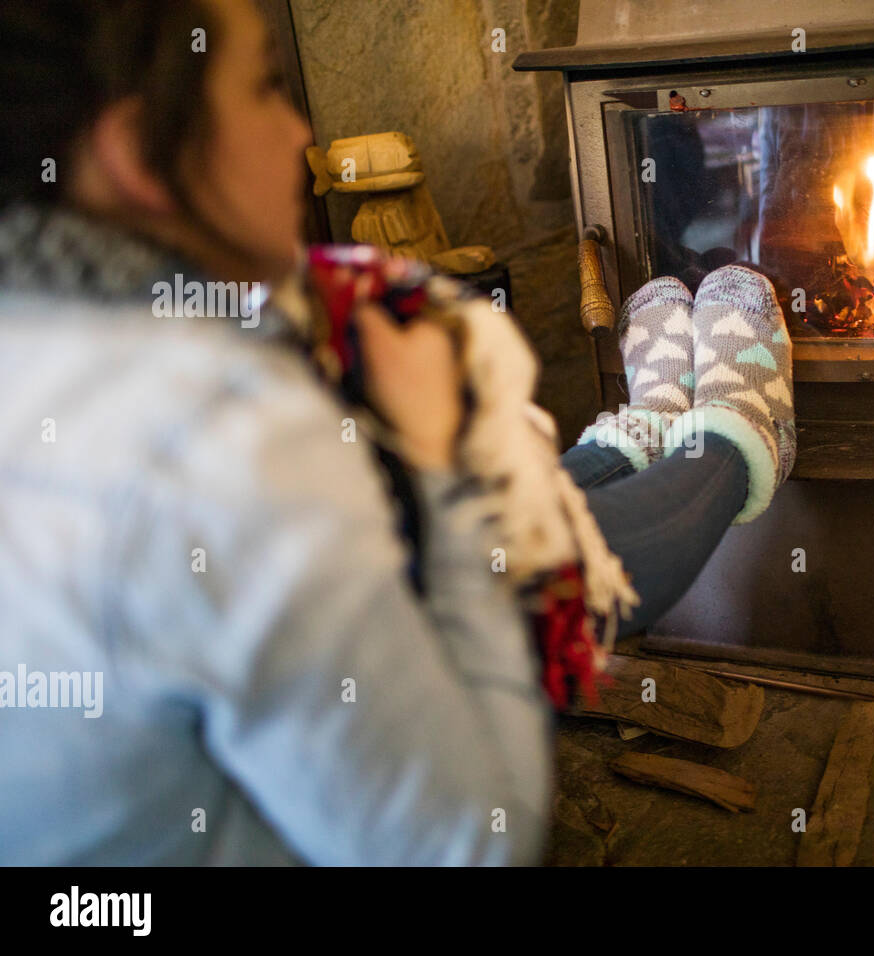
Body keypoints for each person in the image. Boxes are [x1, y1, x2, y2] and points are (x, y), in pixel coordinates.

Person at [0, 0, 795, 865]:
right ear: (142, 151)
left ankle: (646, 430)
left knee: (434, 530)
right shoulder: (219, 443)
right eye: (266, 88)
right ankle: (735, 431)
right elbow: (463, 843)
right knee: (474, 545)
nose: (300, 136)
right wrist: (434, 465)